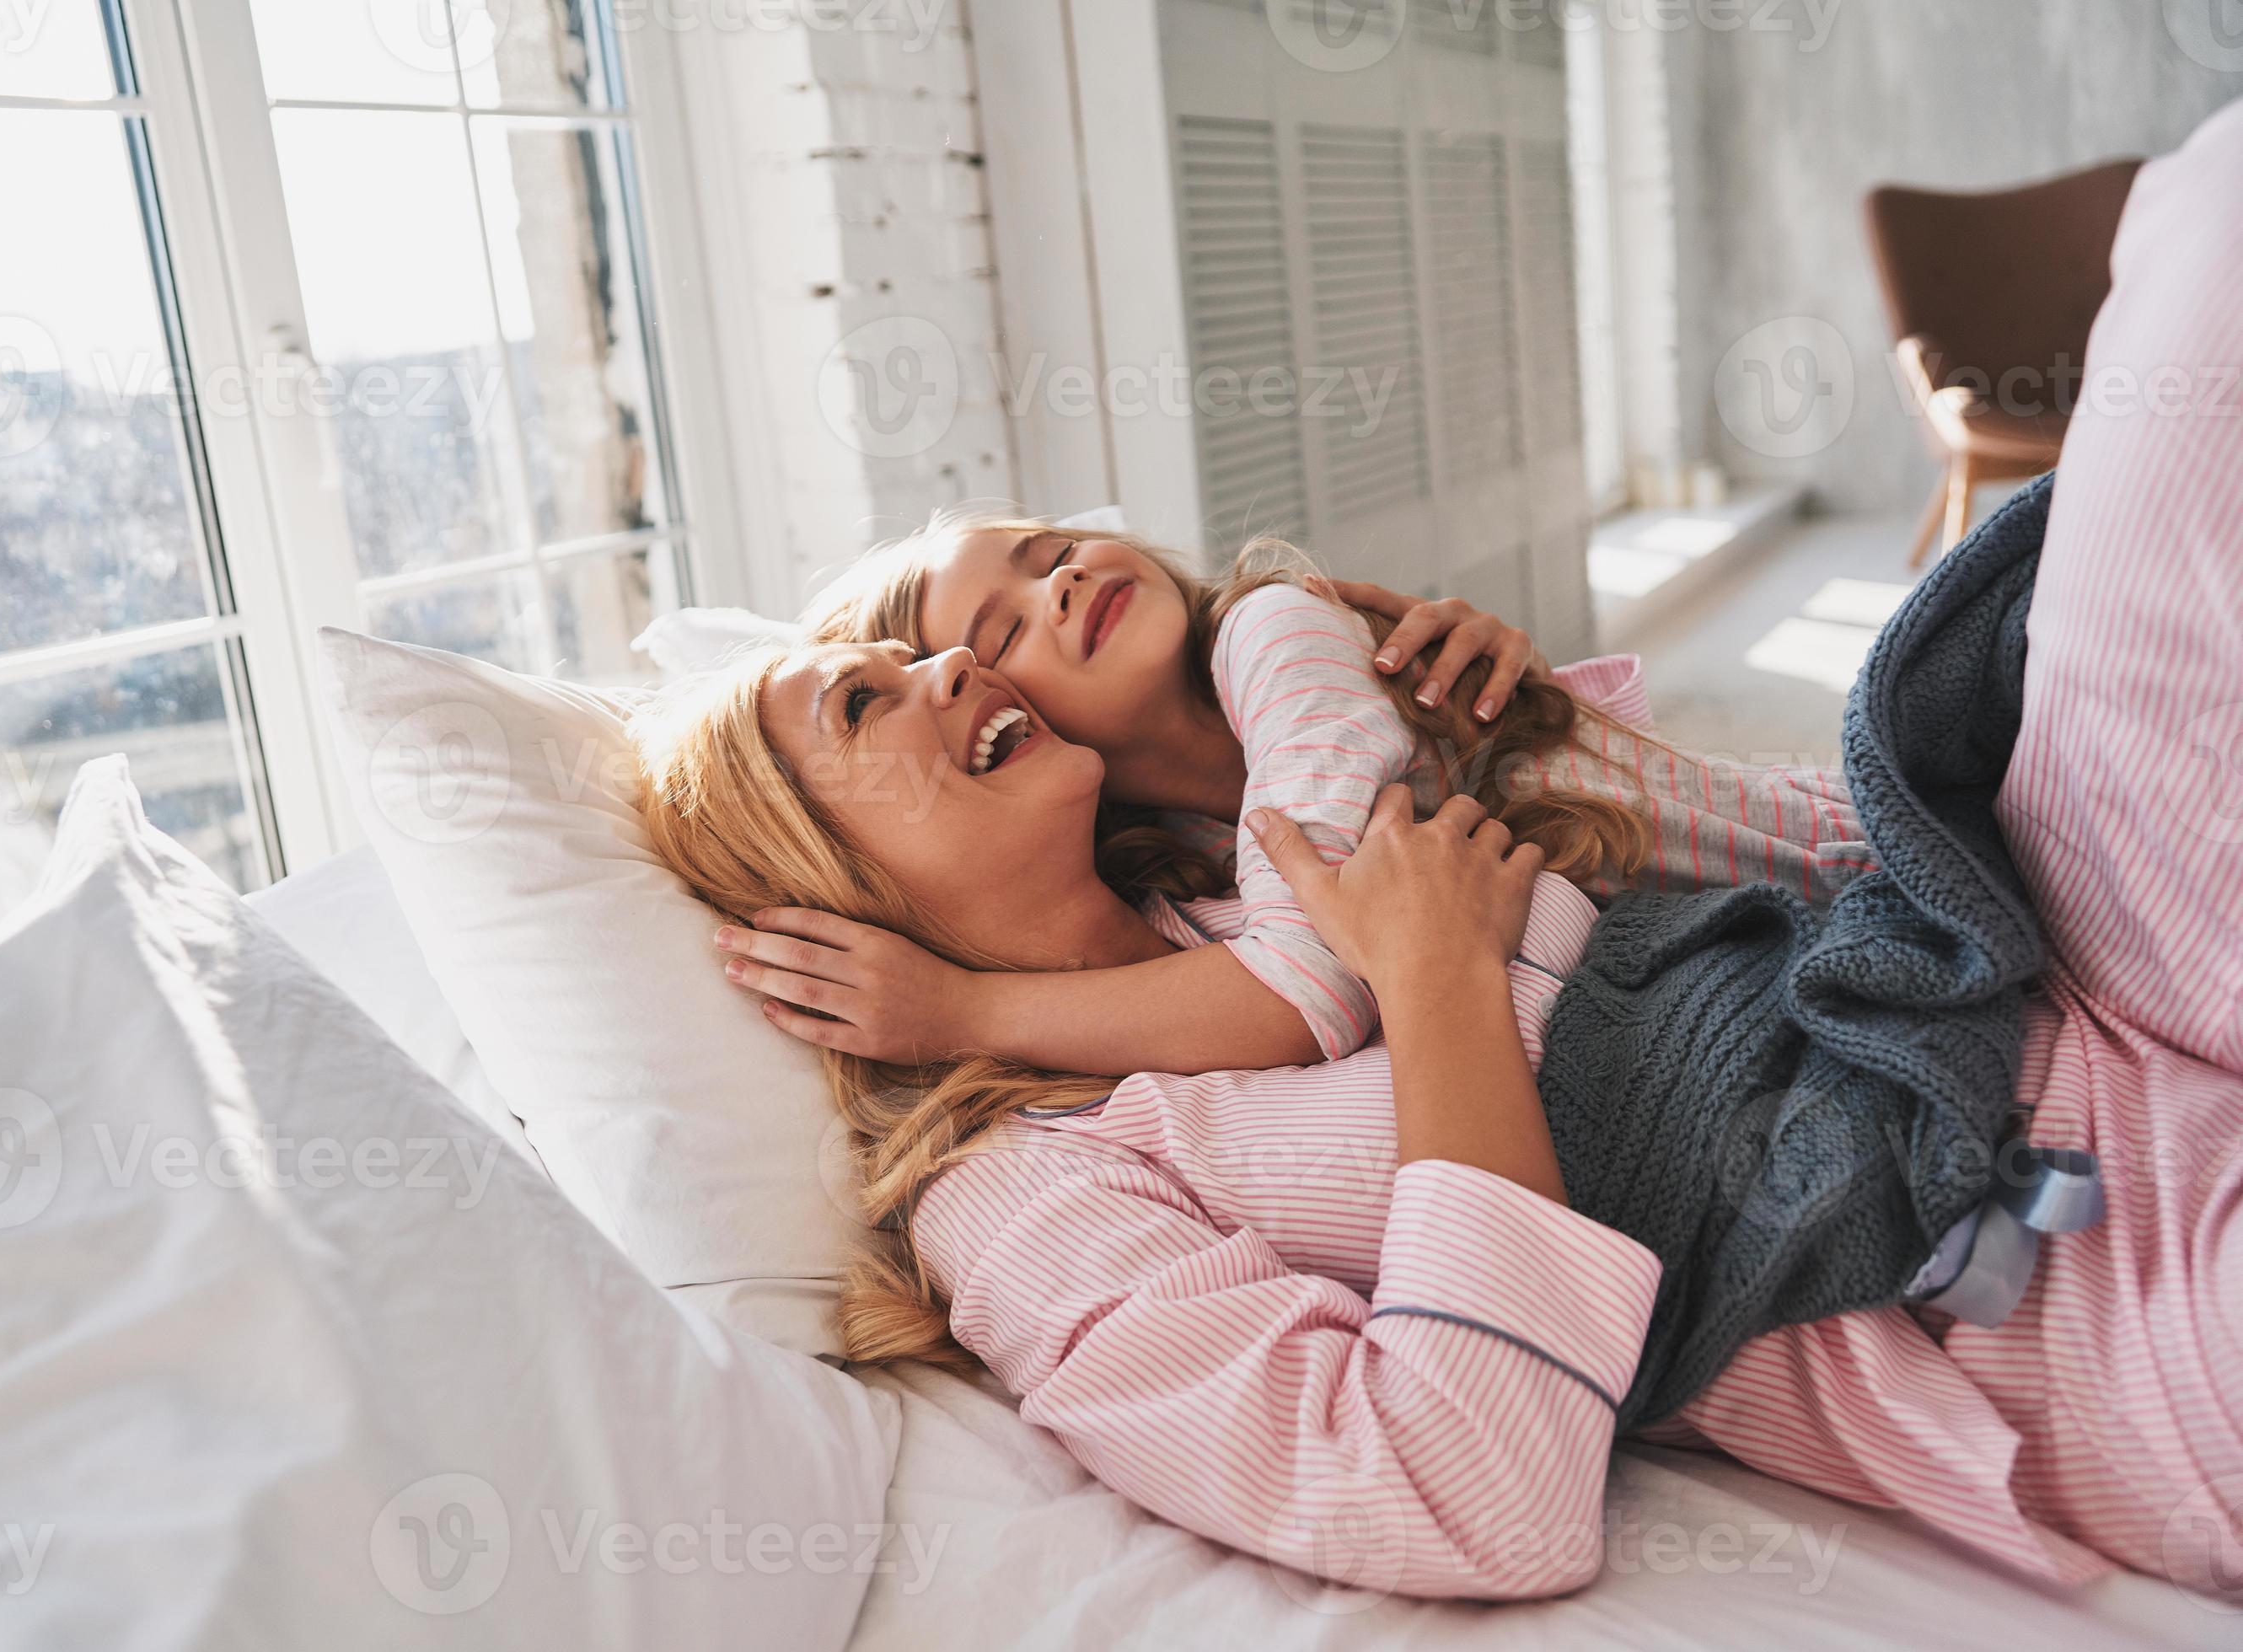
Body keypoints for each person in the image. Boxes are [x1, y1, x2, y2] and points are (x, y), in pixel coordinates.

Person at [638, 99, 2243, 1602]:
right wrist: (1441, 989)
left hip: (2023, 942)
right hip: (2054, 1273)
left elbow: (1682, 844)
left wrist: (1486, 704)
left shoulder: (1225, 866)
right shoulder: (1022, 1193)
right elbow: (1467, 1489)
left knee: (2208, 227)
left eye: (966, 631)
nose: (960, 668)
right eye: (872, 698)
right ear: (819, 880)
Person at [719, 519, 1865, 1078]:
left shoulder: (1272, 635)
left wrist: (961, 1012)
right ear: (1007, 716)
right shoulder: (1180, 858)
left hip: (1845, 854)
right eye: (1005, 628)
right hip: (1775, 952)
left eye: (1046, 547)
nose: (1059, 578)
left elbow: (1297, 991)